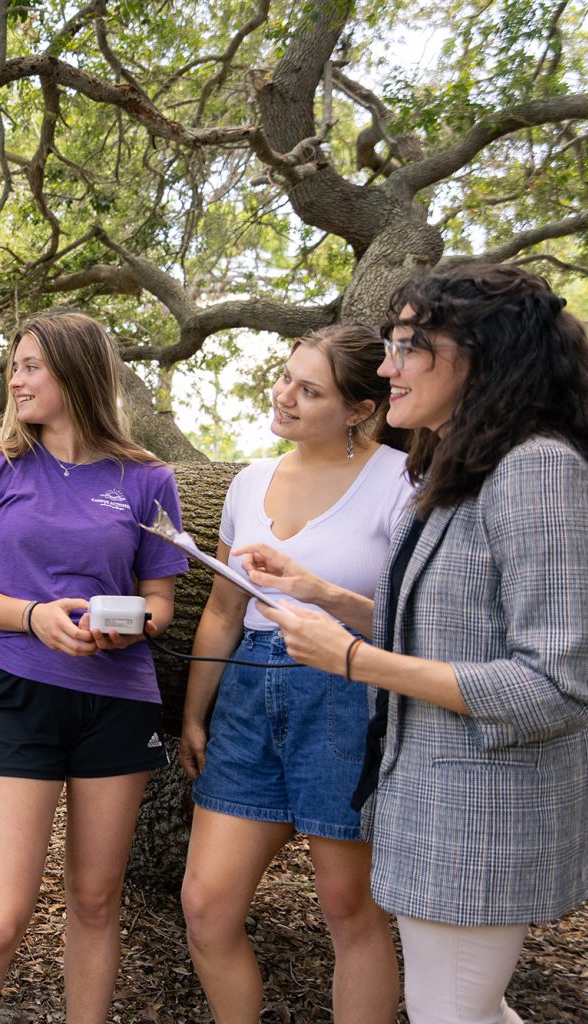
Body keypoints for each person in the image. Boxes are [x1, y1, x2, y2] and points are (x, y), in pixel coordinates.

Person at [245, 263, 588, 1024]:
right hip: (431, 801)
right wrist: (324, 597)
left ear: (483, 354)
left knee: (451, 1012)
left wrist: (352, 660)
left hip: (485, 812)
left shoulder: (541, 471)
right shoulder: (462, 468)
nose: (387, 367)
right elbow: (447, 628)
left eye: (406, 346)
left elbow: (554, 688)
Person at [0, 309, 188, 1024]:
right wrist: (33, 616)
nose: (15, 379)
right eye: (13, 366)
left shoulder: (147, 480)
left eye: (30, 365)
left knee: (97, 902)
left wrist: (123, 625)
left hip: (119, 701)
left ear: (76, 371)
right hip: (18, 693)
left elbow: (160, 601)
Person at [178, 325, 409, 1023]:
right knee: (206, 905)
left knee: (348, 907)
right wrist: (194, 713)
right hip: (247, 694)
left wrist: (320, 594)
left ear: (360, 409)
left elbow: (419, 624)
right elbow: (223, 609)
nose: (284, 396)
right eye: (285, 377)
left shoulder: (401, 485)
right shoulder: (250, 482)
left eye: (309, 391)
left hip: (345, 694)